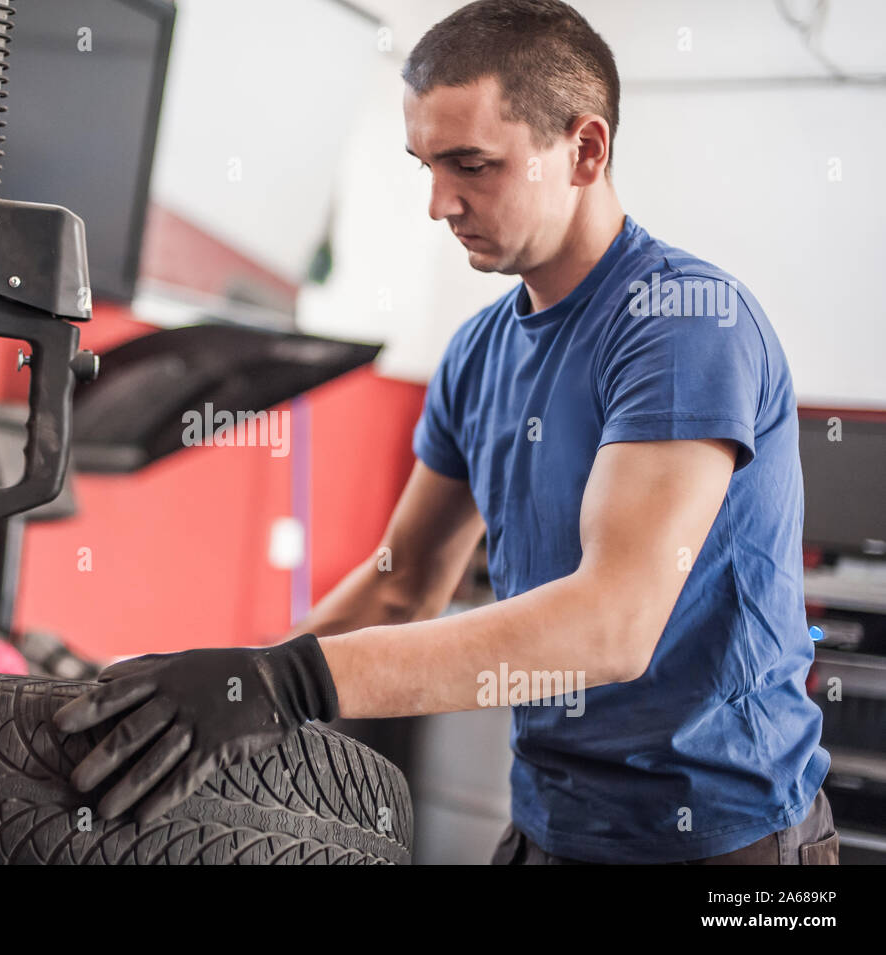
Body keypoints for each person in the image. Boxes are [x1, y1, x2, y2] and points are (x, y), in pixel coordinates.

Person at [53, 0, 837, 864]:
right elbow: (401, 585)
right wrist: (237, 677)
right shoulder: (478, 352)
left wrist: (292, 681)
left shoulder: (684, 324)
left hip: (725, 839)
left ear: (584, 149)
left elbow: (612, 623)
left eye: (472, 165)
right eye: (425, 165)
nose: (439, 203)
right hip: (550, 825)